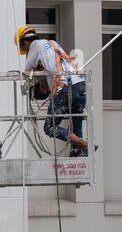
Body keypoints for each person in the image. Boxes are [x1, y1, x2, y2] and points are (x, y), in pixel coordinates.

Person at [15, 24, 91, 157]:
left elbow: (27, 70)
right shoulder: (52, 43)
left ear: (25, 42)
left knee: (50, 127)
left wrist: (38, 75)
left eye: (24, 48)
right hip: (80, 85)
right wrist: (44, 76)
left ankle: (84, 144)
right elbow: (52, 64)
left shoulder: (34, 45)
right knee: (75, 122)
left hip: (64, 87)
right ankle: (78, 150)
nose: (26, 52)